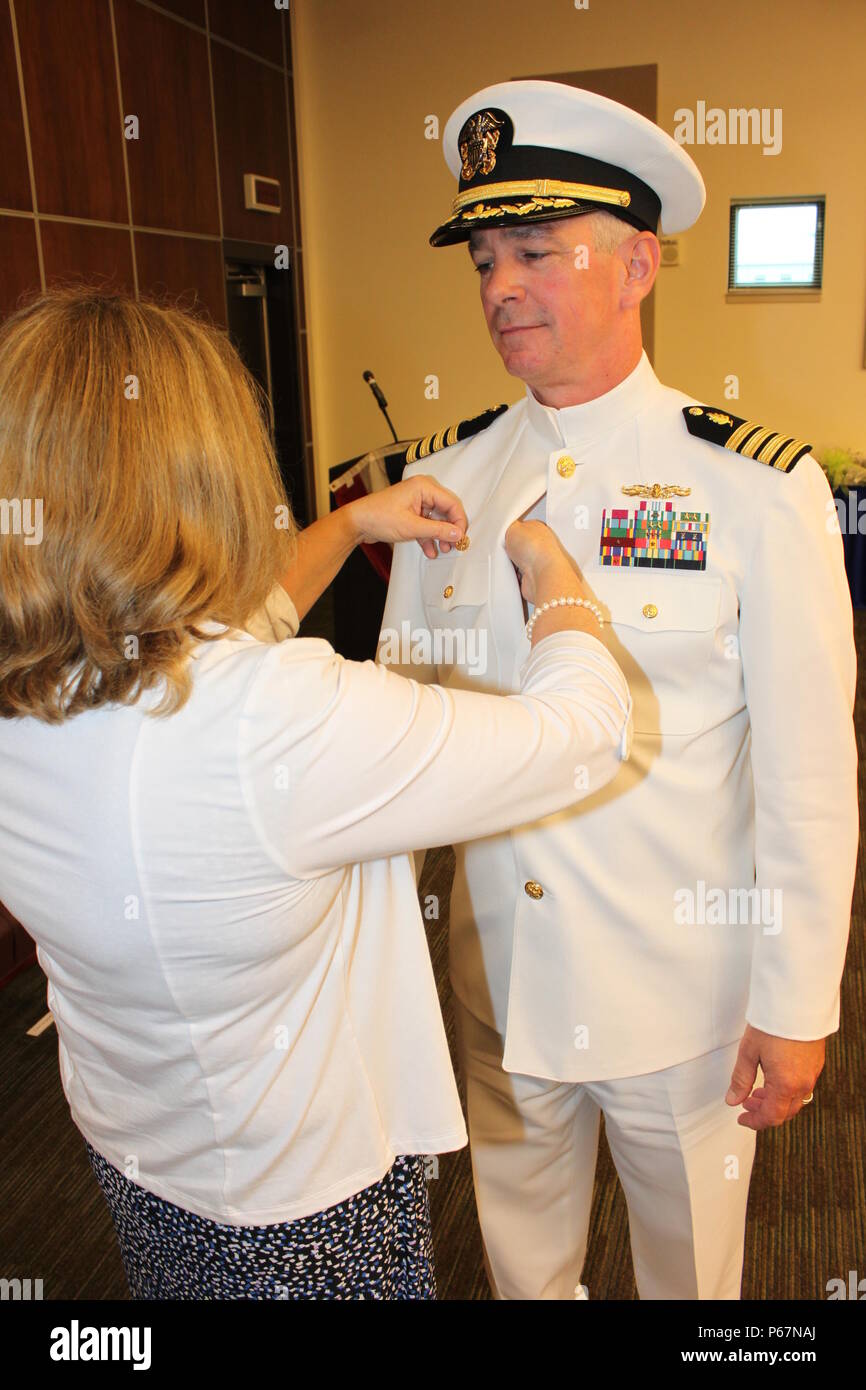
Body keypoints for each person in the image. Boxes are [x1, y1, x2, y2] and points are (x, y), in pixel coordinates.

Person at [0, 285, 632, 1300]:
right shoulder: (274, 719)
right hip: (296, 1206)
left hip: (138, 1149)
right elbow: (581, 737)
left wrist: (346, 525)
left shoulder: (44, 674)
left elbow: (227, 631)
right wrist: (556, 578)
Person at [378, 79, 858, 1300]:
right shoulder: (441, 488)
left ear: (638, 264)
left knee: (690, 1287)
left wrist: (795, 1000)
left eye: (535, 249)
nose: (498, 287)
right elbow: (395, 748)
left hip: (680, 1005)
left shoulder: (751, 486)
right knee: (519, 1276)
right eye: (483, 257)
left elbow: (809, 770)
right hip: (496, 993)